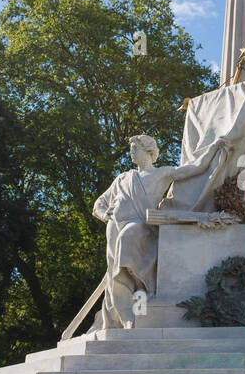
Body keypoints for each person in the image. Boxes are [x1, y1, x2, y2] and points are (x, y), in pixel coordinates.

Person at [93, 135, 228, 328]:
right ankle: (123, 315)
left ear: (148, 151)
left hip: (142, 228)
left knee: (126, 249)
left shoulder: (162, 173)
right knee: (114, 270)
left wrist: (213, 148)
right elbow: (99, 203)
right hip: (114, 227)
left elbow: (196, 168)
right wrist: (105, 214)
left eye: (135, 148)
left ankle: (134, 310)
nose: (131, 152)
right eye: (131, 149)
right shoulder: (123, 178)